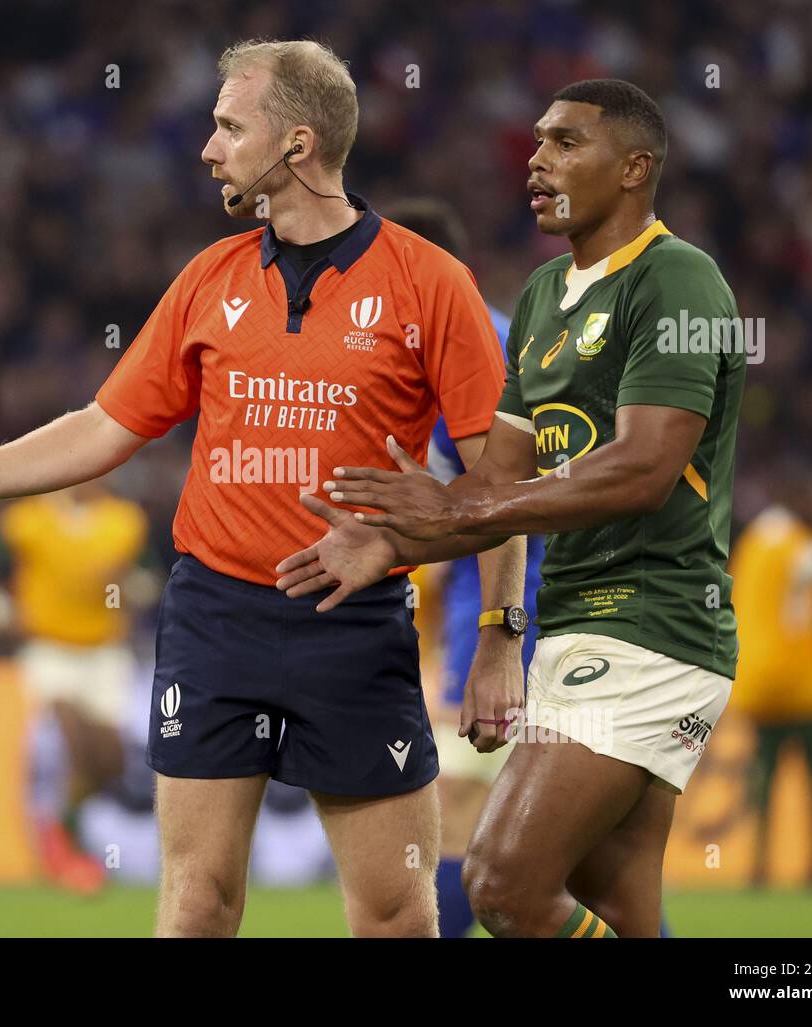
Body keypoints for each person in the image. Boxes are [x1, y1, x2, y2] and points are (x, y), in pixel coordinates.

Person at [0, 38, 524, 937]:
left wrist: (496, 638)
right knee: (197, 904)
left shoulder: (432, 283)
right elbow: (104, 426)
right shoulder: (209, 278)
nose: (208, 148)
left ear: (295, 144)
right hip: (215, 621)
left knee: (398, 915)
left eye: (227, 126)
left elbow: (503, 487)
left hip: (354, 624)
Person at [277, 79, 745, 937]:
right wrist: (392, 538)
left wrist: (458, 521)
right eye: (537, 141)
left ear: (636, 168)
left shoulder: (679, 280)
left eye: (567, 143)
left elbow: (644, 467)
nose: (537, 159)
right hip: (573, 624)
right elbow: (492, 485)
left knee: (501, 883)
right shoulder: (539, 298)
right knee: (617, 896)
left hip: (654, 622)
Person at [380, 197, 540, 938]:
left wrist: (493, 639)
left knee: (458, 832)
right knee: (584, 861)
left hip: (518, 627)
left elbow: (495, 507)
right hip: (558, 623)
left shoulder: (472, 353)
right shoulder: (512, 343)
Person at [0, 482, 148, 893]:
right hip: (49, 647)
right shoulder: (29, 518)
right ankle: (60, 847)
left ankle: (71, 830)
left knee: (110, 760)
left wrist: (121, 584)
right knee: (64, 727)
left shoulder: (124, 520)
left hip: (104, 651)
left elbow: (128, 576)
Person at [729, 466, 812, 886]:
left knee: (763, 771)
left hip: (754, 678)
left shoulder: (753, 543)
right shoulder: (806, 547)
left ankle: (758, 867)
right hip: (796, 680)